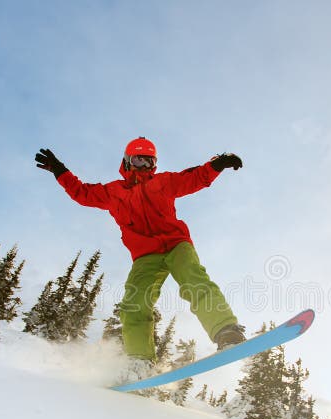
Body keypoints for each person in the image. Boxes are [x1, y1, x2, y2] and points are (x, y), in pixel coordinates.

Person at [35, 137, 246, 377]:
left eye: (149, 161)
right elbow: (82, 193)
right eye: (139, 160)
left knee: (195, 280)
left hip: (177, 245)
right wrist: (59, 170)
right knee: (134, 302)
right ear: (127, 162)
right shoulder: (113, 192)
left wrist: (219, 163)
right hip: (146, 255)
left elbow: (194, 178)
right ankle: (140, 361)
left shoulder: (163, 182)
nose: (144, 166)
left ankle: (227, 331)